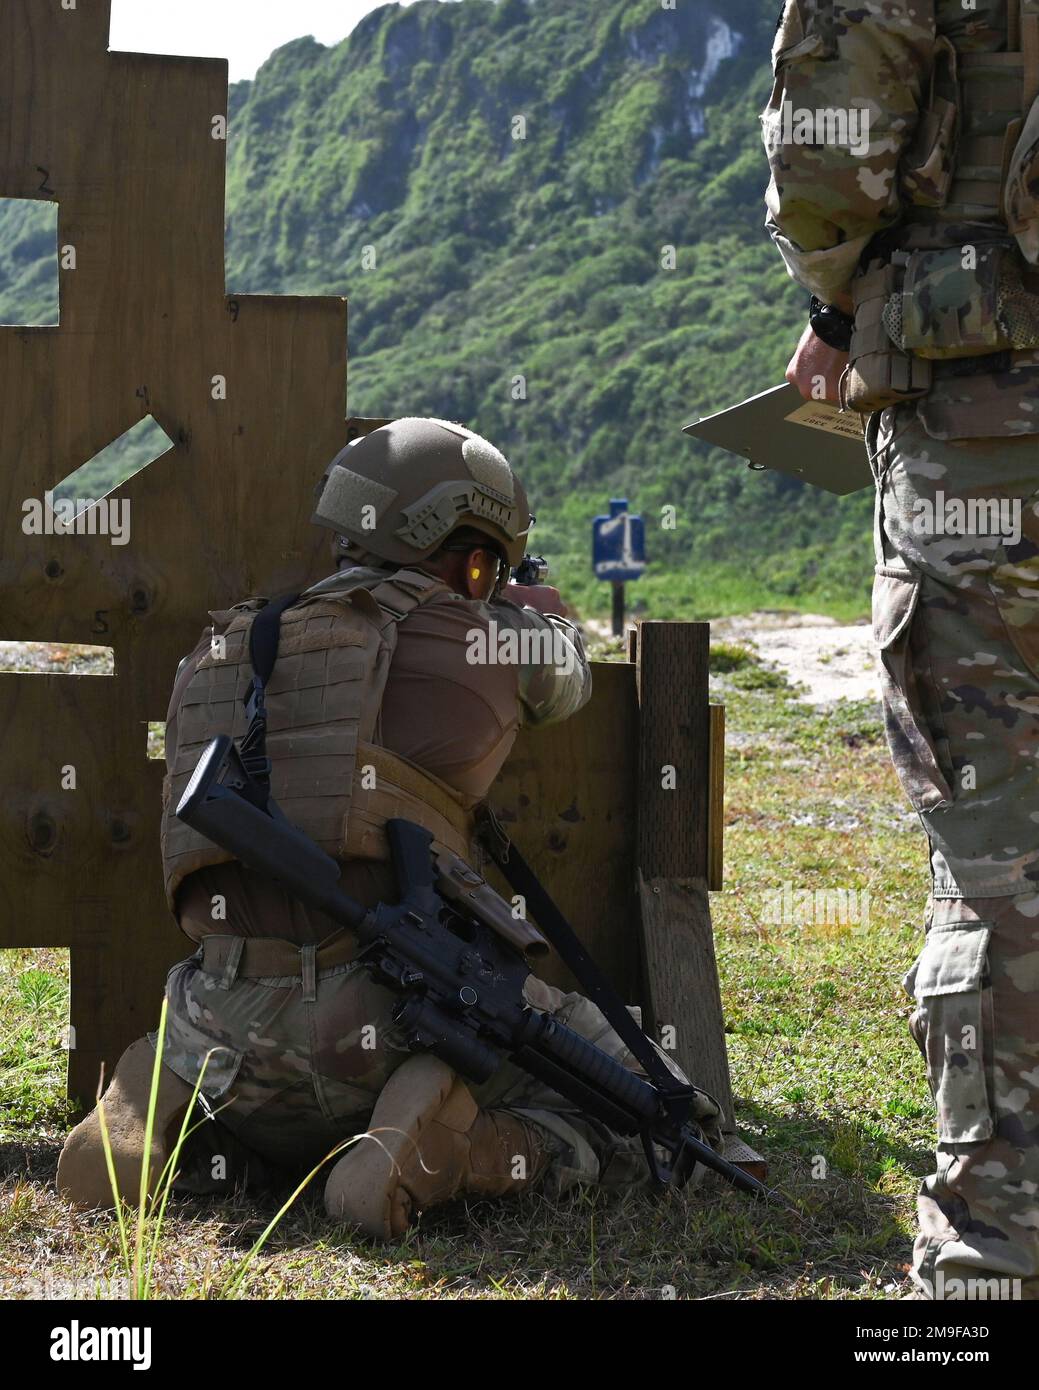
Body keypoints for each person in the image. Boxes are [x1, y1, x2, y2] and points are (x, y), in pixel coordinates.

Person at [57, 416, 721, 1238]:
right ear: (469, 547)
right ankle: (439, 1150)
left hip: (221, 1024)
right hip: (384, 1017)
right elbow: (566, 677)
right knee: (659, 1118)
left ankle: (156, 1110)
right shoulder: (481, 638)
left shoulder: (227, 647)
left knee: (254, 1136)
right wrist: (528, 609)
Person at [764, 1, 1039, 1297]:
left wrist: (837, 312)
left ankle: (995, 1248)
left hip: (987, 405)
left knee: (997, 836)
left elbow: (827, 155)